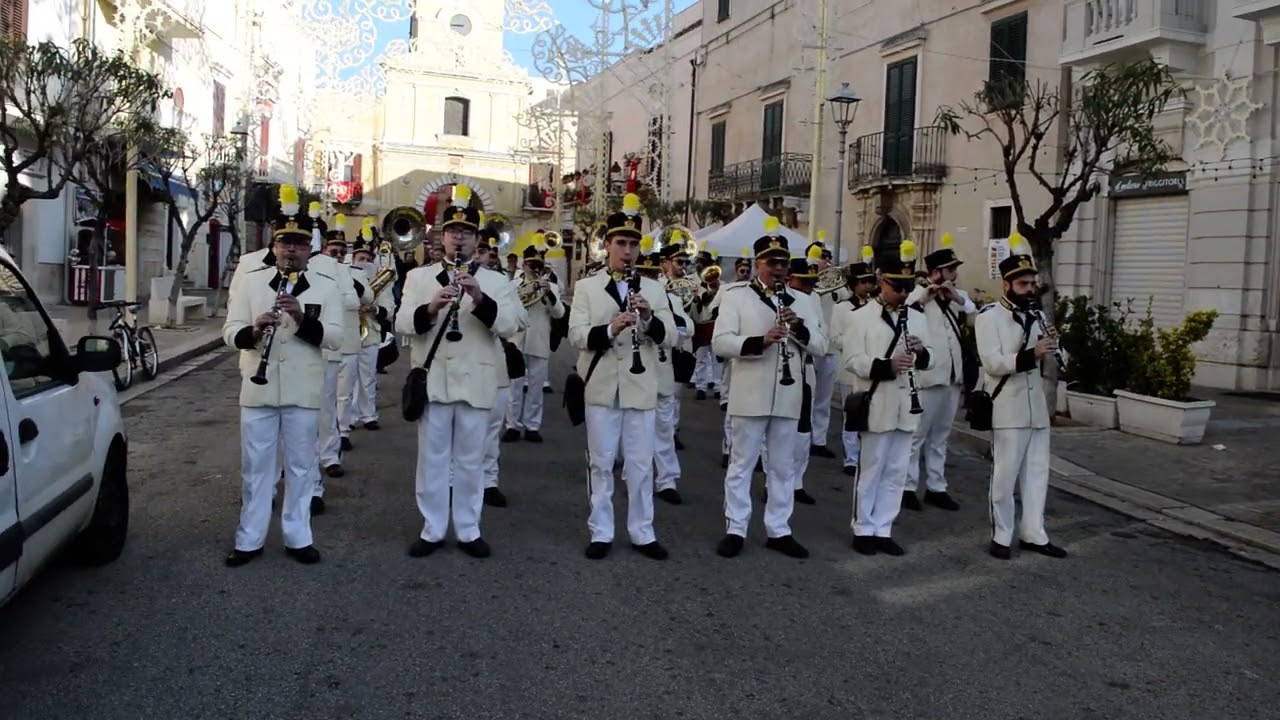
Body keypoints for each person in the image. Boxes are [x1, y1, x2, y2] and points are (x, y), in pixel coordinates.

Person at [395, 184, 521, 559]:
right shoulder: (420, 278)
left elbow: (511, 325)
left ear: (477, 240)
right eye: (453, 233)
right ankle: (432, 528)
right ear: (442, 237)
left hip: (477, 378)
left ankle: (468, 528)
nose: (460, 240)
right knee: (432, 459)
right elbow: (402, 322)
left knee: (470, 460)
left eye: (467, 234)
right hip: (434, 378)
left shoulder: (497, 280)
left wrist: (480, 297)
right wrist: (431, 307)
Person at [221, 184, 343, 567]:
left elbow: (336, 337)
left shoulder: (327, 285)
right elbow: (229, 331)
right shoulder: (252, 282)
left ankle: (298, 536)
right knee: (256, 468)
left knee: (302, 466)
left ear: (311, 249)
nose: (291, 250)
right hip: (258, 388)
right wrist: (252, 332)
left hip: (303, 390)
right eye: (285, 242)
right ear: (274, 247)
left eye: (299, 244)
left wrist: (302, 318)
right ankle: (249, 538)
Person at [568, 193, 675, 561]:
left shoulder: (655, 288)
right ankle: (601, 530)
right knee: (600, 461)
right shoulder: (586, 287)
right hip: (601, 387)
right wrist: (611, 328)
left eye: (633, 244)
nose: (627, 251)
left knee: (641, 464)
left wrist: (647, 318)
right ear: (608, 246)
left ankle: (643, 531)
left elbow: (672, 337)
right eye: (621, 243)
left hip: (640, 386)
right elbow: (577, 335)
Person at [711, 217, 825, 559]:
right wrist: (760, 341)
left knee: (782, 465)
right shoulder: (735, 297)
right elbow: (721, 342)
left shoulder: (803, 302)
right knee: (742, 463)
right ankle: (736, 527)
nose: (778, 268)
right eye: (771, 262)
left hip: (788, 395)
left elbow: (821, 345)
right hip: (750, 393)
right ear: (758, 264)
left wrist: (799, 328)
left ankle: (779, 528)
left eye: (783, 263)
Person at [841, 240, 935, 556]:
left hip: (906, 404)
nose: (904, 294)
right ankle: (863, 527)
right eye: (897, 287)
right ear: (882, 282)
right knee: (871, 467)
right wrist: (886, 365)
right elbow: (852, 359)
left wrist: (921, 353)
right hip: (876, 400)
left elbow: (931, 359)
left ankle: (884, 528)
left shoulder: (918, 317)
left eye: (908, 288)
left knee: (897, 470)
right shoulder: (860, 316)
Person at [977, 235, 1068, 560]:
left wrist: (1056, 347)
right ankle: (1002, 534)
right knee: (1005, 474)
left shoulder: (1039, 316)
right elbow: (993, 362)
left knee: (1037, 472)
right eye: (1024, 283)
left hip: (1035, 410)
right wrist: (1032, 354)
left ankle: (1034, 532)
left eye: (1032, 283)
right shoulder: (989, 318)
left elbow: (1060, 359)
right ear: (1007, 284)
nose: (1030, 289)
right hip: (1007, 408)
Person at [902, 232, 975, 512]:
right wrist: (926, 294)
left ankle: (936, 486)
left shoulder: (959, 296)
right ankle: (908, 486)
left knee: (941, 435)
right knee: (917, 434)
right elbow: (905, 313)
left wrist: (955, 297)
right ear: (936, 272)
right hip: (929, 375)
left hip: (953, 376)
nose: (954, 273)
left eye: (955, 269)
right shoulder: (918, 295)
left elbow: (976, 312)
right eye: (950, 269)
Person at [316, 217, 371, 493]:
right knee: (315, 406)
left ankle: (330, 456)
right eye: (332, 251)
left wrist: (347, 279)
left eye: (341, 251)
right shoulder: (313, 270)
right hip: (317, 345)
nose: (337, 255)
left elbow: (361, 299)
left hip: (346, 343)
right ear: (324, 250)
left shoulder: (354, 274)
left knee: (336, 399)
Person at [638, 239, 692, 505]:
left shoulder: (669, 297)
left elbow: (687, 328)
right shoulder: (626, 296)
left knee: (664, 429)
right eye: (643, 273)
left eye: (651, 274)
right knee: (637, 431)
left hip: (661, 370)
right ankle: (635, 477)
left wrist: (668, 316)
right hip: (635, 376)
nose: (648, 278)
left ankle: (667, 480)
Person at [503, 244, 565, 442]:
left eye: (537, 264)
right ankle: (512, 425)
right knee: (514, 385)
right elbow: (509, 311)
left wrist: (548, 294)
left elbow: (559, 313)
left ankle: (532, 426)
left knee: (536, 387)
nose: (534, 268)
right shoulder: (513, 285)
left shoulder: (551, 286)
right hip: (517, 339)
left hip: (539, 340)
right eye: (530, 264)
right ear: (524, 264)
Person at [830, 248, 877, 476]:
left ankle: (867, 455)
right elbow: (835, 337)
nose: (867, 287)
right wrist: (856, 341)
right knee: (852, 413)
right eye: (862, 283)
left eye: (870, 282)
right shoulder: (841, 308)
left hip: (870, 367)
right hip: (849, 368)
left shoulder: (875, 308)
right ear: (853, 285)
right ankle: (851, 458)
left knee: (871, 414)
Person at [349, 228, 396, 431]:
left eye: (368, 258)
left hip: (370, 331)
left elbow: (390, 307)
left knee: (368, 377)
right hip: (349, 333)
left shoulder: (380, 280)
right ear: (353, 259)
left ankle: (368, 415)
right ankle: (348, 417)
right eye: (360, 257)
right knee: (348, 378)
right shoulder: (344, 276)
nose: (364, 261)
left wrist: (374, 308)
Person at [805, 239, 848, 460]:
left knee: (824, 397)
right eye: (823, 257)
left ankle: (818, 440)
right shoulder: (805, 285)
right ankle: (803, 436)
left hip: (830, 347)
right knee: (807, 395)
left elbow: (848, 298)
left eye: (828, 257)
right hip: (811, 347)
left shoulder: (836, 285)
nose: (827, 261)